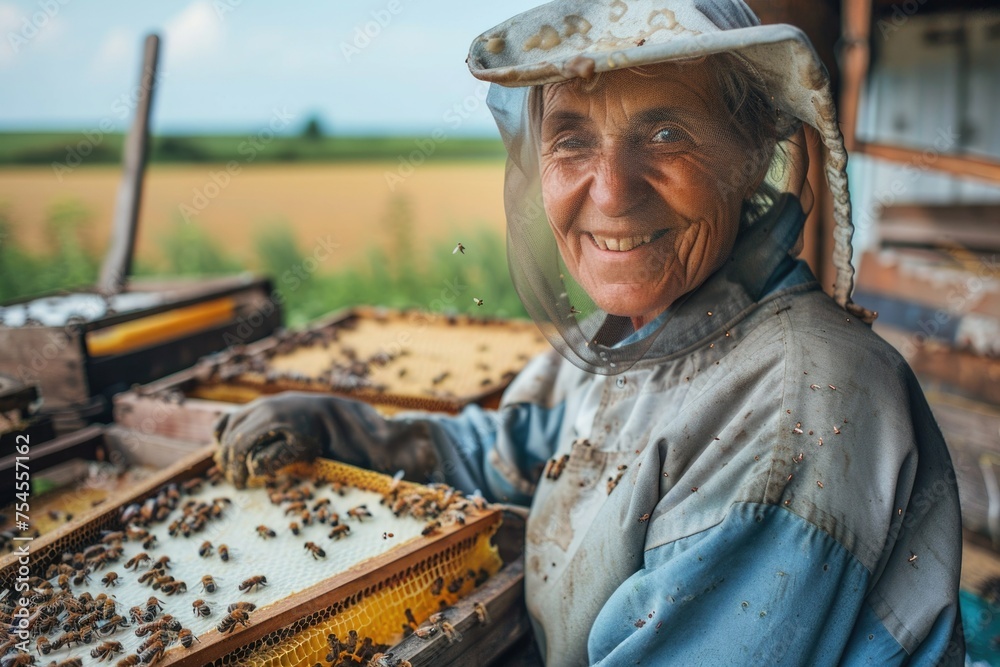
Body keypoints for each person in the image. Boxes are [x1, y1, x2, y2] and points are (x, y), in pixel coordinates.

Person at [215, 0, 965, 664]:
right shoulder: (653, 333)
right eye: (572, 140)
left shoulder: (798, 410)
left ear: (750, 155)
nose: (609, 190)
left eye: (665, 132)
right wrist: (351, 431)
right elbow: (529, 453)